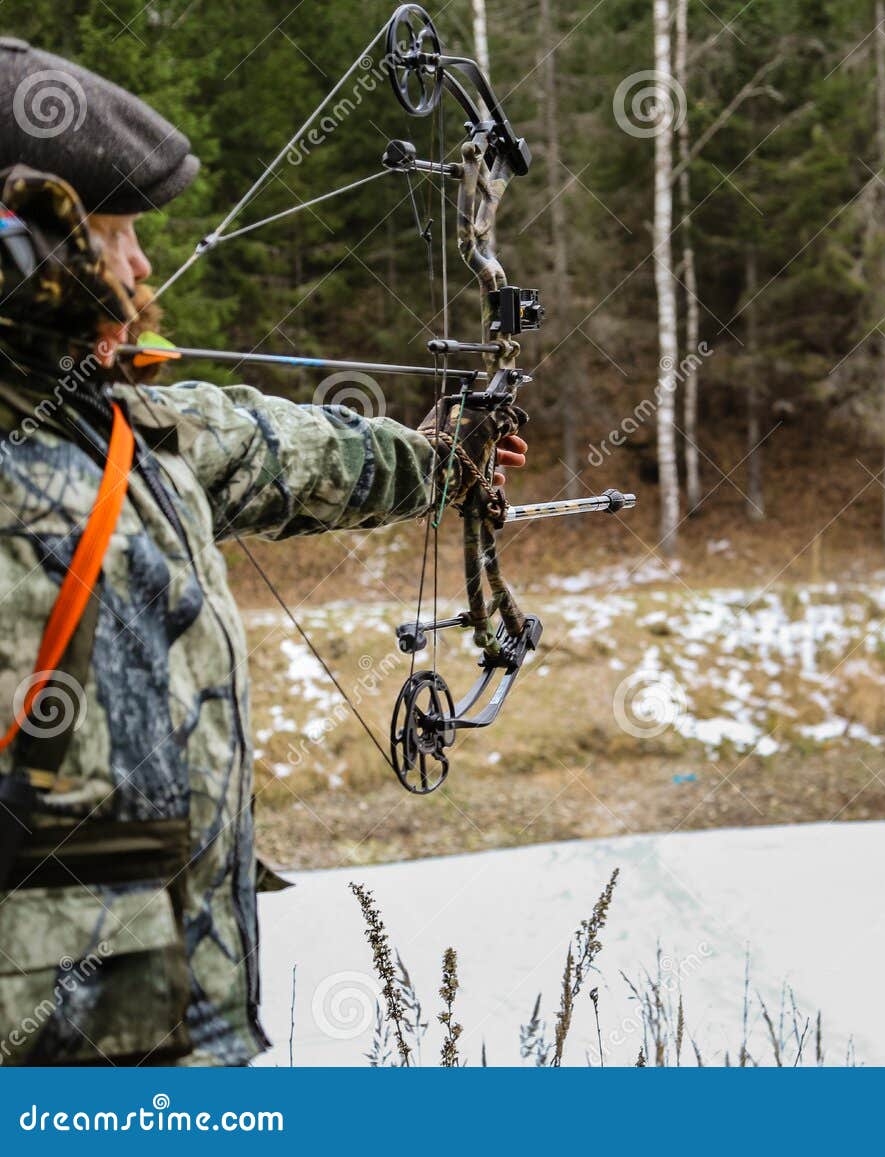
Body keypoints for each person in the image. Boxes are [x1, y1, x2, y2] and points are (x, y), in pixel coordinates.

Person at [0, 39, 526, 1065]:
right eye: (114, 237)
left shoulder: (128, 430)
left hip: (171, 1025)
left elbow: (285, 450)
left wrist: (439, 459)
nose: (140, 269)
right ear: (30, 253)